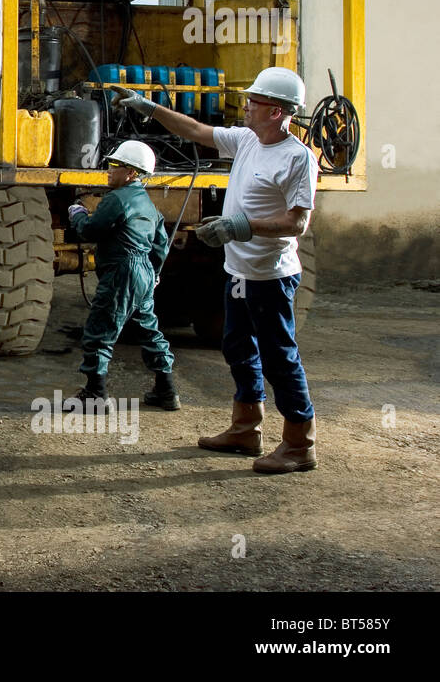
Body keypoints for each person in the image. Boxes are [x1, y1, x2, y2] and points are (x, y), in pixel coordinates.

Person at [112, 66, 318, 473]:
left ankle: (299, 444)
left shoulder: (298, 159)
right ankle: (247, 429)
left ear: (277, 111)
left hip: (271, 275)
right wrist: (150, 108)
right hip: (240, 270)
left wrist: (239, 226)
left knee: (280, 358)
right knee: (238, 349)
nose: (246, 107)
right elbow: (195, 130)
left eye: (254, 102)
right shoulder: (246, 140)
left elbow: (297, 223)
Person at [66, 140, 178, 411]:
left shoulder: (117, 199)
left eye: (114, 165)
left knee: (100, 330)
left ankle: (95, 392)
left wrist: (78, 214)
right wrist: (154, 274)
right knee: (149, 330)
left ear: (131, 173)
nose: (108, 169)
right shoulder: (149, 206)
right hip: (144, 273)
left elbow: (91, 231)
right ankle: (166, 391)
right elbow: (160, 245)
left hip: (122, 272)